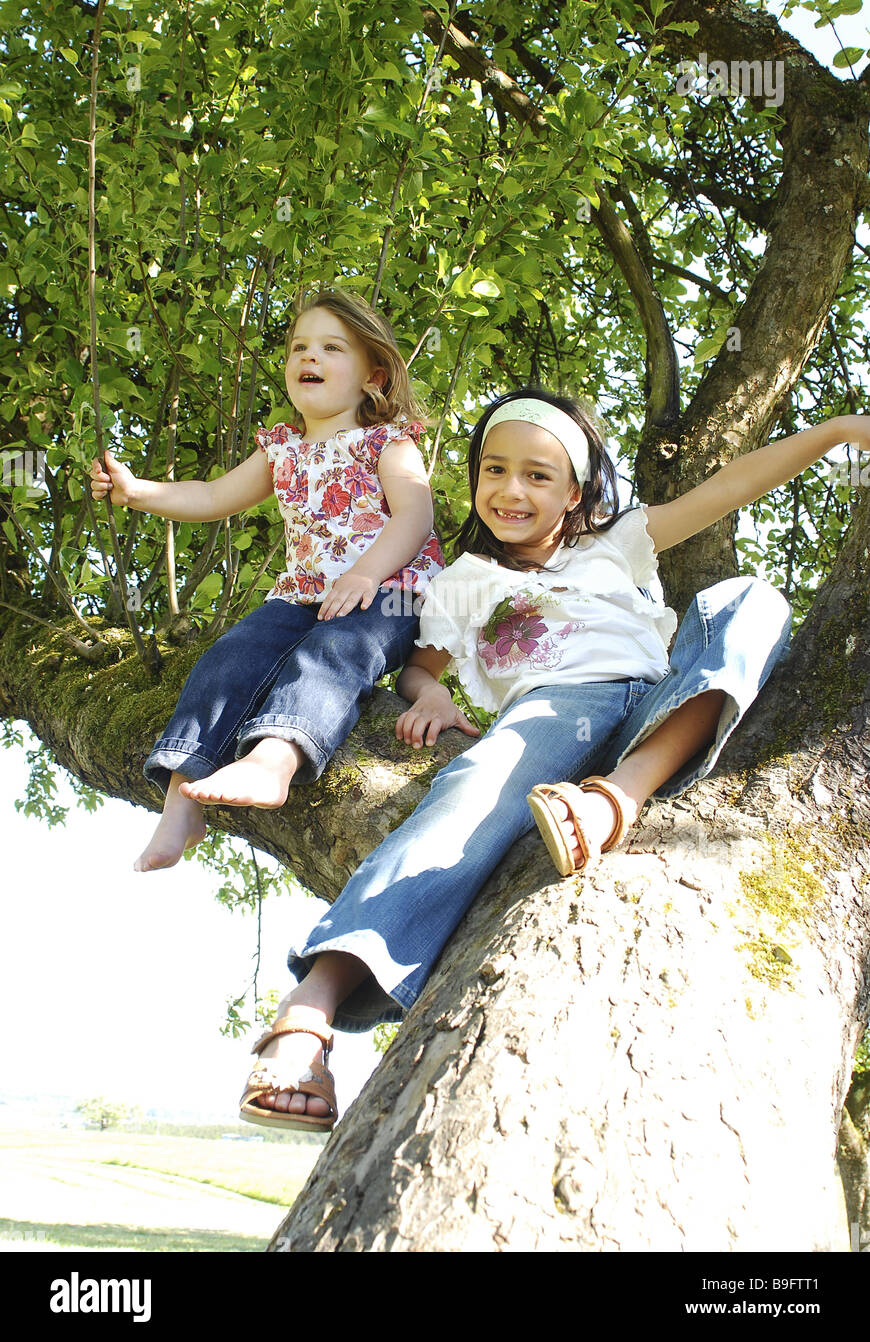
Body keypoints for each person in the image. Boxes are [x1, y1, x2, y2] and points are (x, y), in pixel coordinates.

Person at [238, 387, 868, 1134]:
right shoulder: (464, 580)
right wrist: (431, 694)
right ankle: (308, 1016)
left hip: (659, 710)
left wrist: (835, 430)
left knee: (752, 597)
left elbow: (730, 487)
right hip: (552, 711)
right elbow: (421, 667)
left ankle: (618, 798)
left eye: (538, 475)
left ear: (575, 492)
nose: (511, 489)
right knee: (466, 800)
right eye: (495, 470)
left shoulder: (618, 542)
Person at [89, 289, 444, 872]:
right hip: (304, 591)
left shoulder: (388, 439)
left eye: (332, 347)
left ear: (373, 376)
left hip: (390, 590)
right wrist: (137, 492)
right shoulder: (281, 448)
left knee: (334, 653)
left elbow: (416, 514)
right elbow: (211, 496)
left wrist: (365, 572)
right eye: (299, 346)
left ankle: (275, 757)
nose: (311, 356)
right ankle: (181, 799)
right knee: (231, 656)